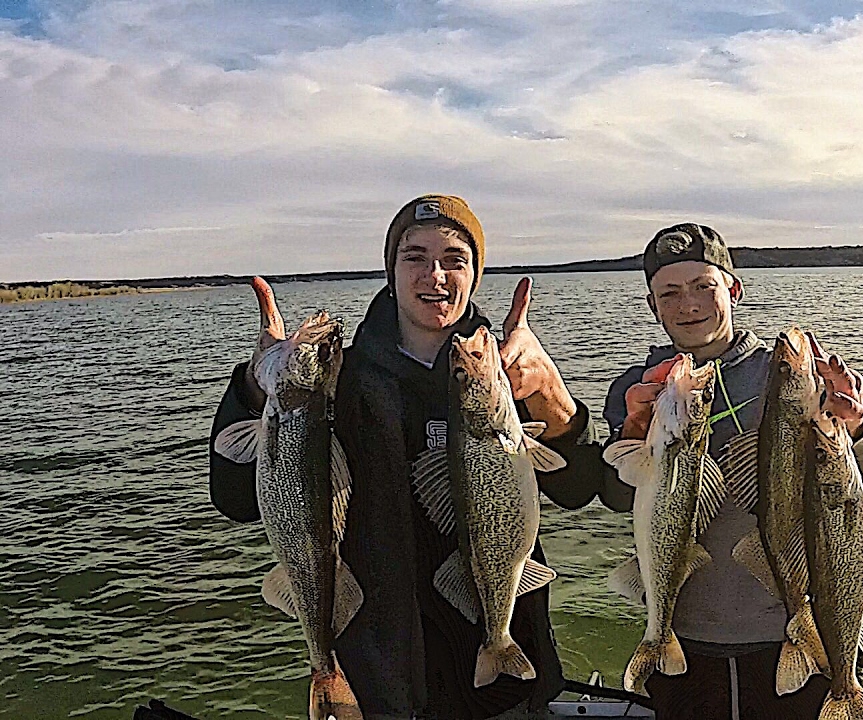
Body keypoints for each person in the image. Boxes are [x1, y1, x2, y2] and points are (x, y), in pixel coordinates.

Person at [208, 195, 600, 720]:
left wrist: (552, 397)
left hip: (501, 678)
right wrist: (260, 389)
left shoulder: (507, 371)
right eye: (414, 257)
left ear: (475, 275)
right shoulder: (338, 379)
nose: (434, 274)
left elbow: (577, 491)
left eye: (455, 259)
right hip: (377, 681)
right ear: (391, 272)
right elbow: (235, 499)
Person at [582, 223, 863, 719]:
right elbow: (619, 499)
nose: (689, 305)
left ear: (733, 289)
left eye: (705, 286)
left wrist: (857, 424)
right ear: (652, 305)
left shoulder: (786, 374)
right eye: (670, 293)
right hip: (687, 637)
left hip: (792, 632)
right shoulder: (634, 388)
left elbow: (862, 478)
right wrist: (630, 438)